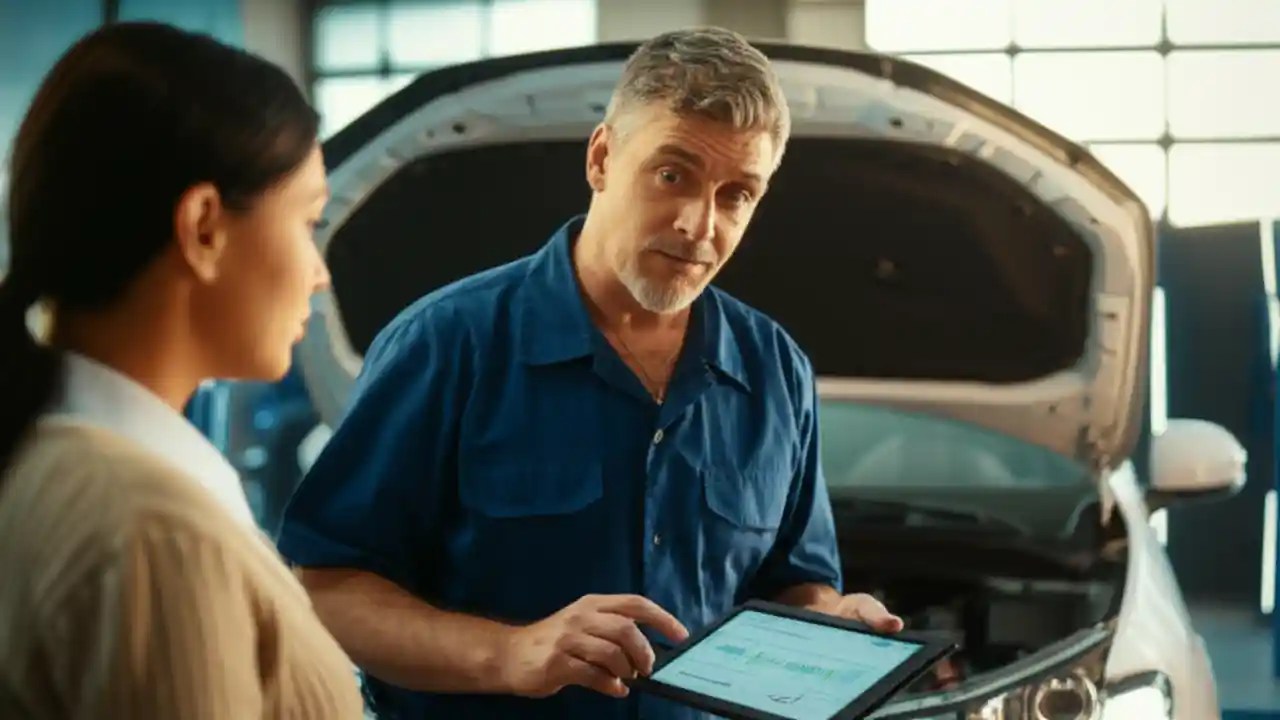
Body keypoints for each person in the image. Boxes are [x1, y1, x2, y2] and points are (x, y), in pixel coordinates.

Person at [278, 26, 903, 720]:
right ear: (602, 158)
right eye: (673, 176)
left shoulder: (777, 369)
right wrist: (511, 654)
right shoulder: (448, 344)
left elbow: (796, 583)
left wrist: (831, 621)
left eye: (736, 195)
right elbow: (327, 586)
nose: (700, 225)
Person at [0, 21, 363, 718]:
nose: (318, 275)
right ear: (203, 228)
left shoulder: (54, 459)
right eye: (308, 222)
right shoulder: (151, 533)